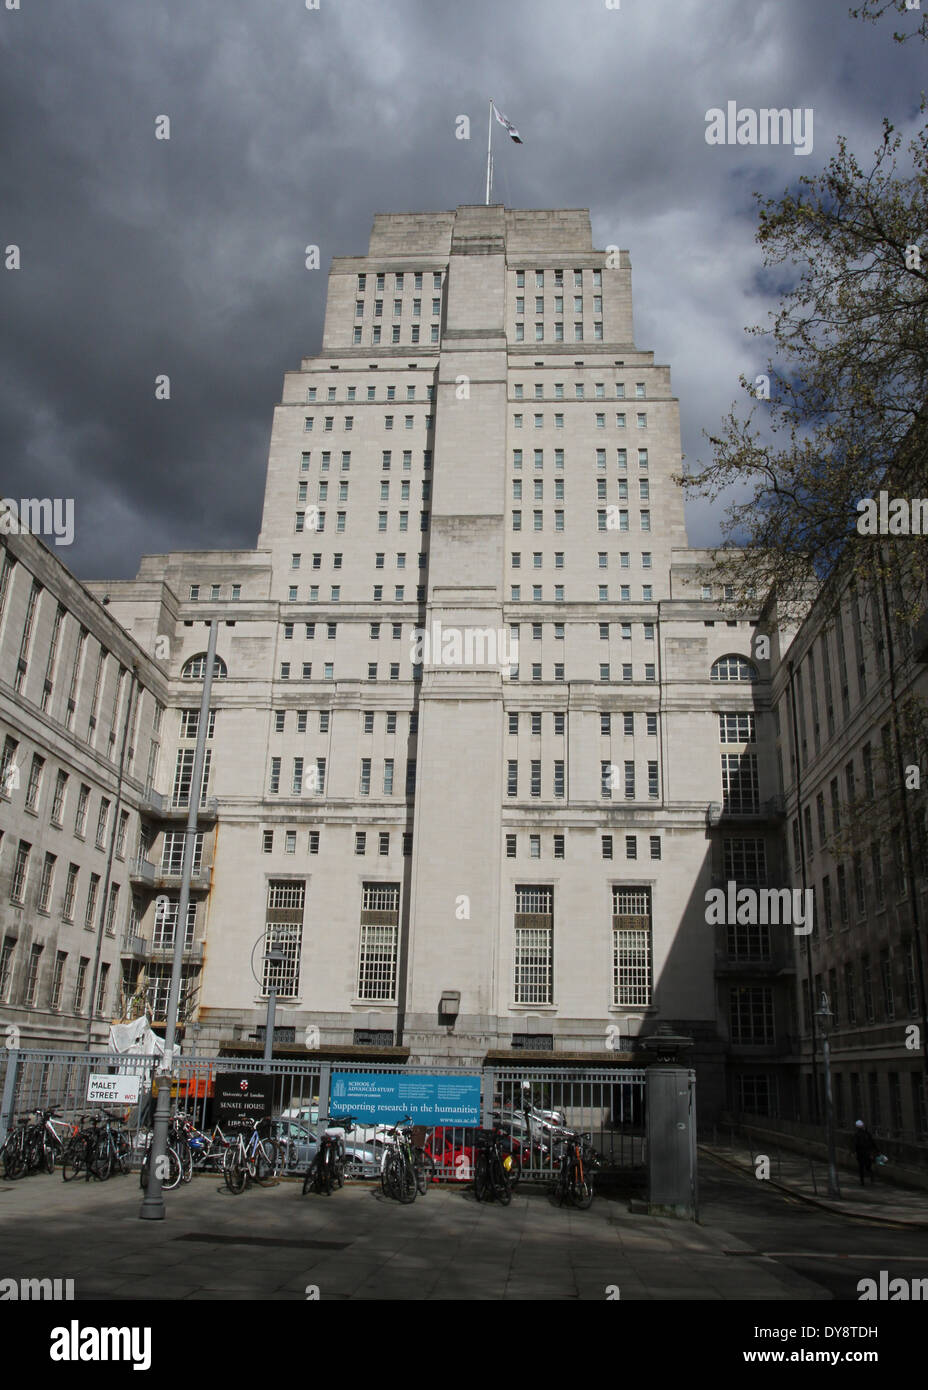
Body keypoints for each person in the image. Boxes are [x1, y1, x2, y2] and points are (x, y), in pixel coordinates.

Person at [853, 1119, 879, 1186]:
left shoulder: (857, 1134)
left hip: (861, 1153)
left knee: (861, 1167)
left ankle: (862, 1181)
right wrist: (876, 1150)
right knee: (867, 1166)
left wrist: (854, 1151)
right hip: (867, 1152)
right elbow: (873, 1142)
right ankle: (870, 1175)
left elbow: (855, 1144)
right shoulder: (867, 1134)